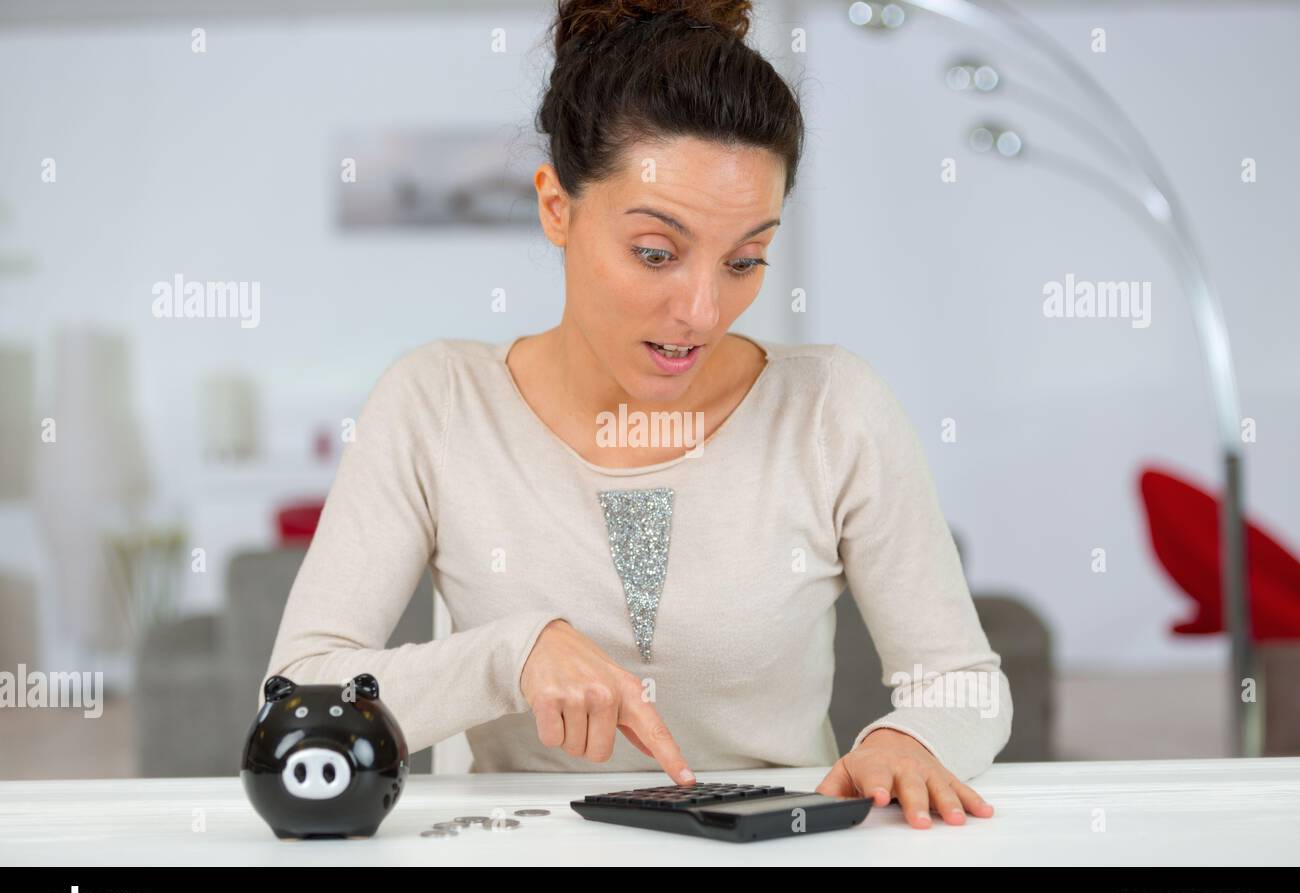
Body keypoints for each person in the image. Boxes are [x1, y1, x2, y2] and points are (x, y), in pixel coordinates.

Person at [261, 0, 1011, 830]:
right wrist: (512, 655)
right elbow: (298, 694)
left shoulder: (831, 408)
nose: (701, 307)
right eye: (656, 253)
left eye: (745, 260)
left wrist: (912, 737)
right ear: (557, 207)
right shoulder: (437, 403)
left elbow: (961, 681)